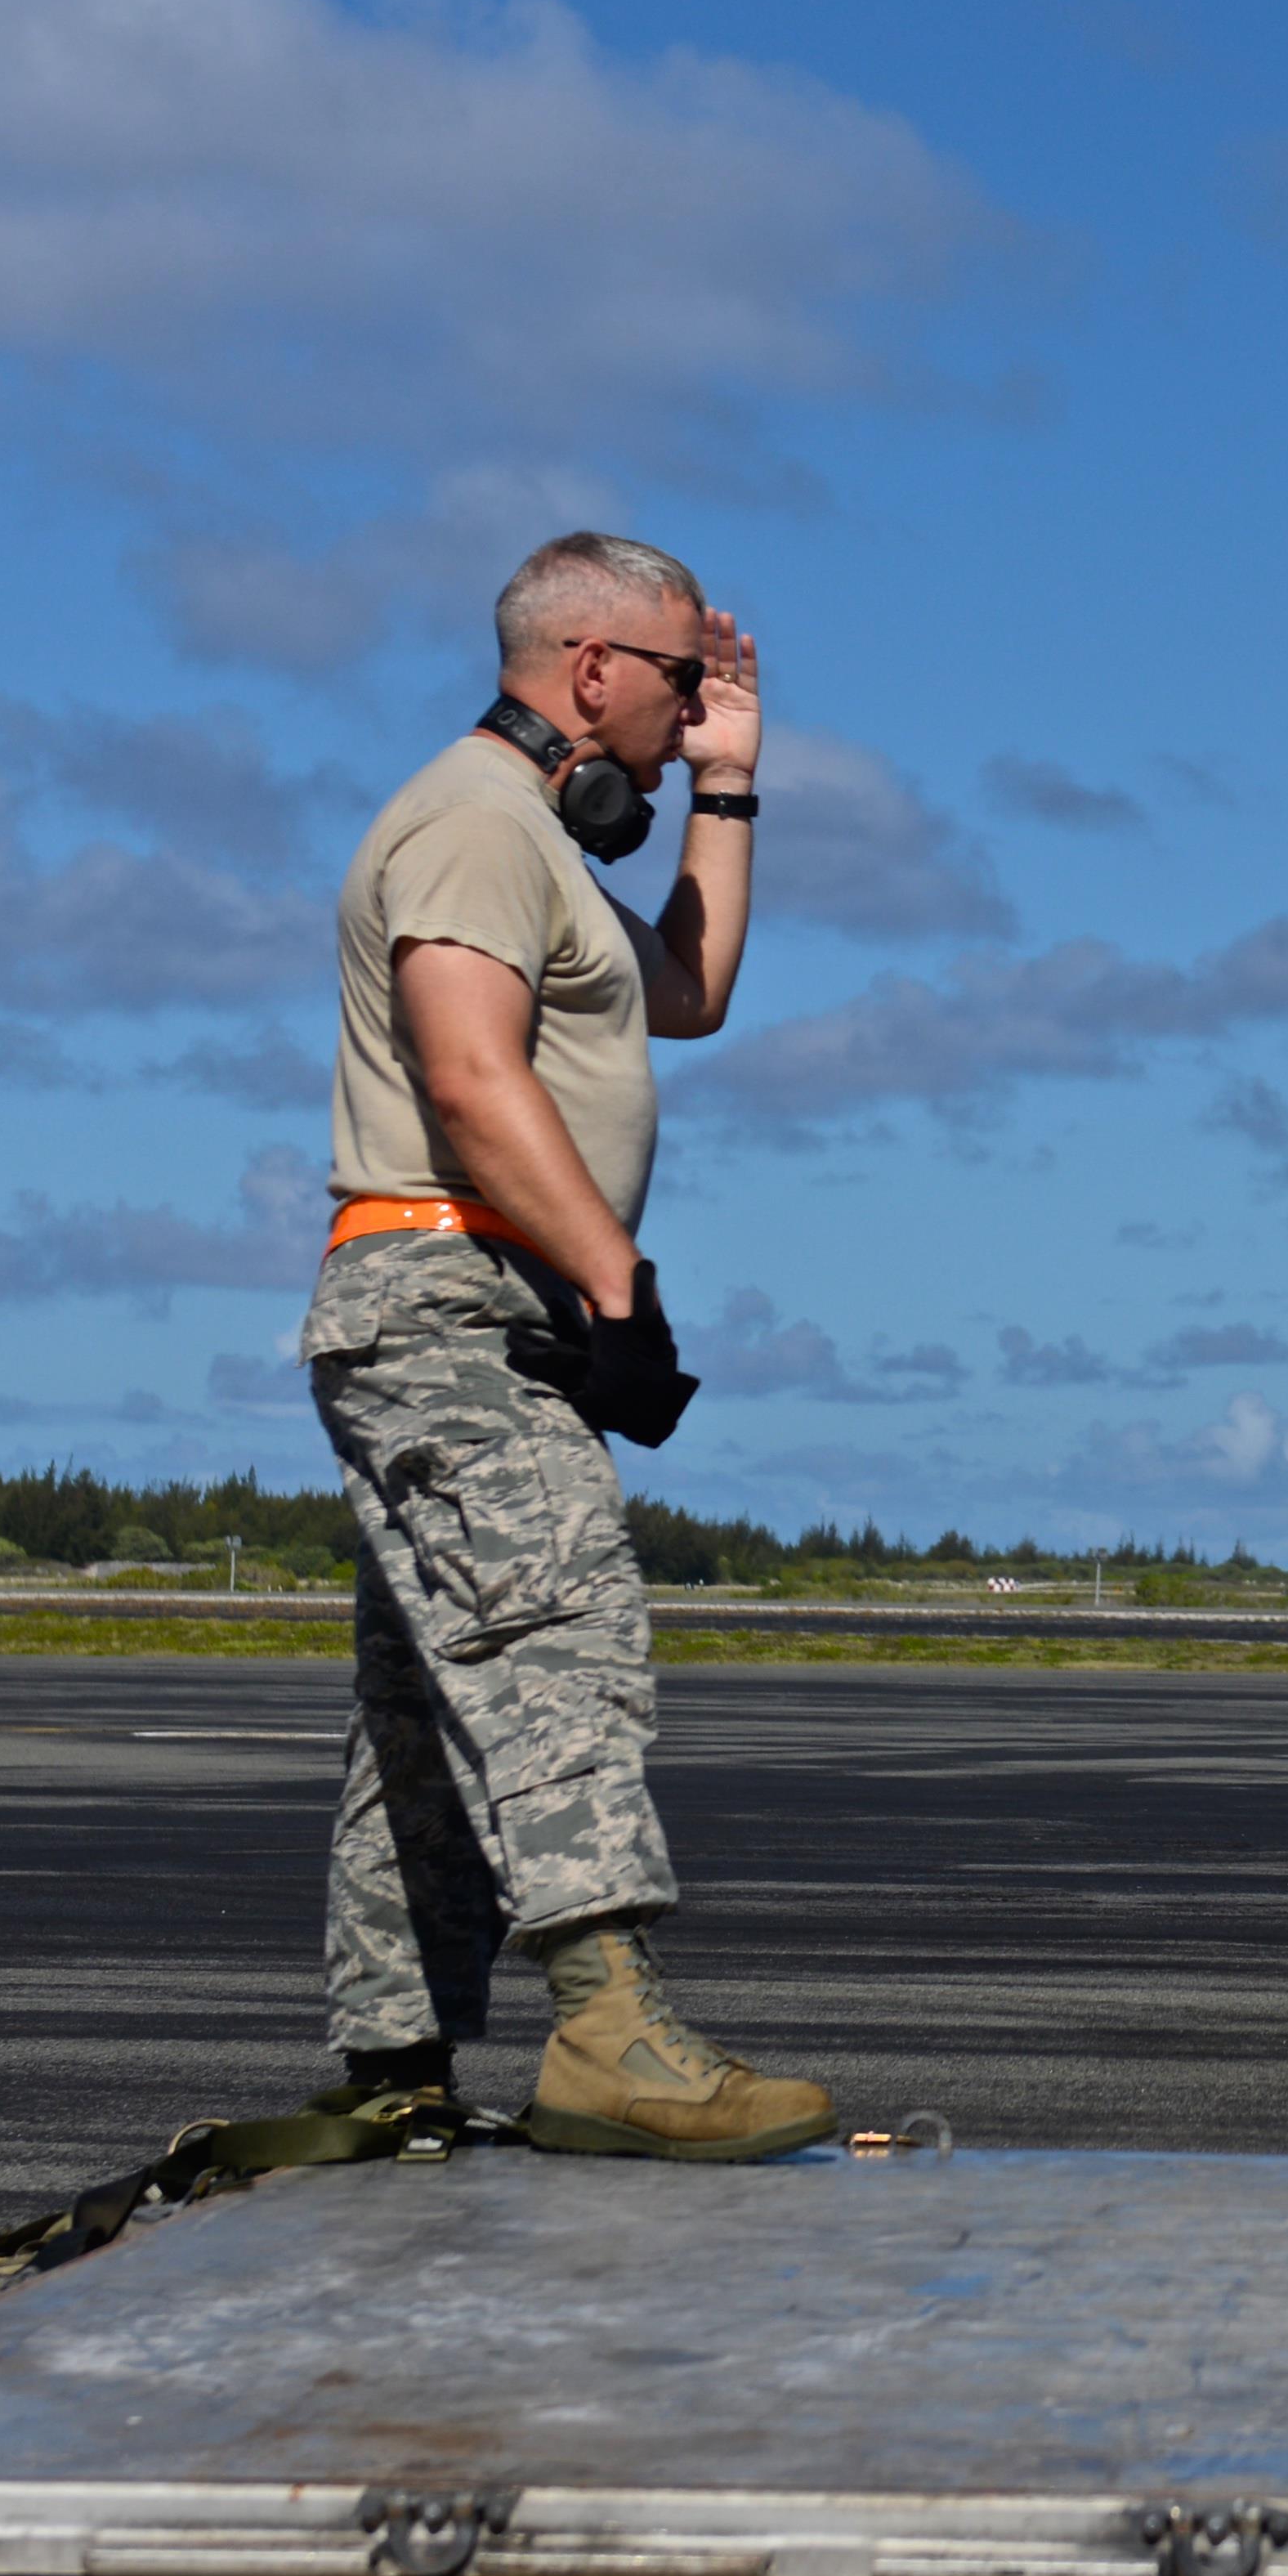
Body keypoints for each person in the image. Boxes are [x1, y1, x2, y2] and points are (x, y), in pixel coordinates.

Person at [301, 531, 834, 2162]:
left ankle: (393, 2064)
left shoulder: (533, 840)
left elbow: (687, 991)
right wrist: (618, 1285)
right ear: (591, 669)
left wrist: (728, 785)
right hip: (449, 1293)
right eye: (680, 679)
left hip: (480, 1296)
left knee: (427, 1704)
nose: (690, 707)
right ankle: (609, 2036)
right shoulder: (473, 824)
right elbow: (470, 1078)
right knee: (554, 1637)